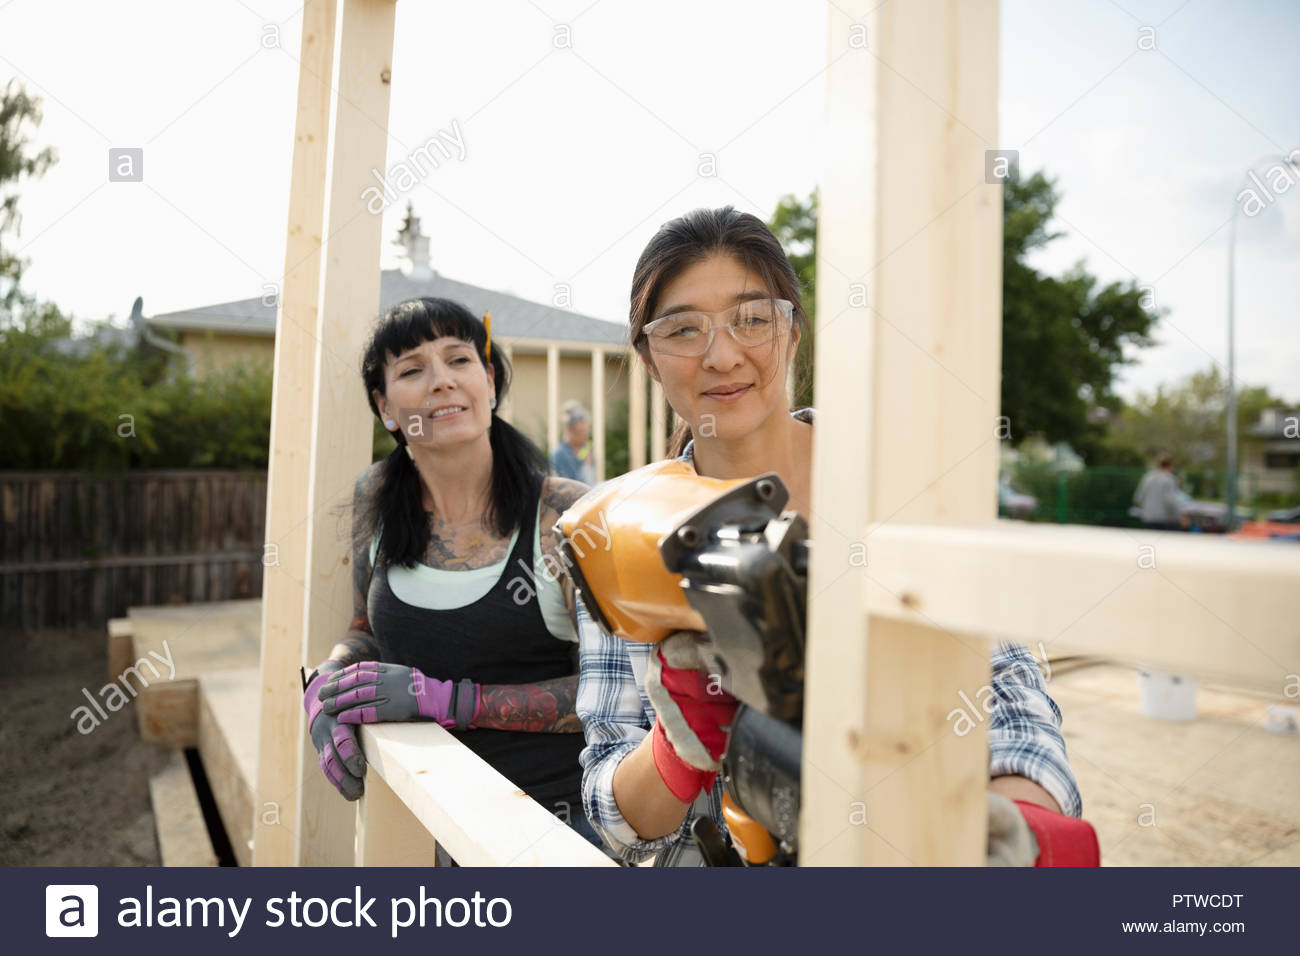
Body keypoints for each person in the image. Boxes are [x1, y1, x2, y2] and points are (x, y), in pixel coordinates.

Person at [574, 207, 1085, 865]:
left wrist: (1004, 834)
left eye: (752, 318)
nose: (722, 354)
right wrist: (676, 752)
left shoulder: (896, 485)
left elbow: (1009, 692)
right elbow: (612, 815)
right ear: (649, 357)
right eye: (682, 330)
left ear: (792, 330)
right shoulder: (626, 531)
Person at [300, 297, 602, 849]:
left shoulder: (567, 516)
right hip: (418, 827)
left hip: (560, 830)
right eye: (412, 369)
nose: (441, 382)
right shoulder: (376, 498)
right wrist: (328, 679)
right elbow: (365, 625)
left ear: (489, 381)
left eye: (459, 360)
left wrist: (453, 701)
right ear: (386, 407)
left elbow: (615, 695)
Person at [1133, 452, 1182, 531]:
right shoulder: (1170, 479)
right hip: (1166, 519)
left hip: (1148, 517)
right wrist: (1180, 516)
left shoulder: (1147, 477)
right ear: (1170, 466)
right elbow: (1170, 501)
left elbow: (1138, 498)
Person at [551, 400, 596, 484]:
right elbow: (571, 485)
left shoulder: (584, 448)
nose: (585, 438)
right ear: (569, 430)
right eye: (580, 433)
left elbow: (591, 481)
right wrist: (587, 466)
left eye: (587, 433)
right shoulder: (560, 454)